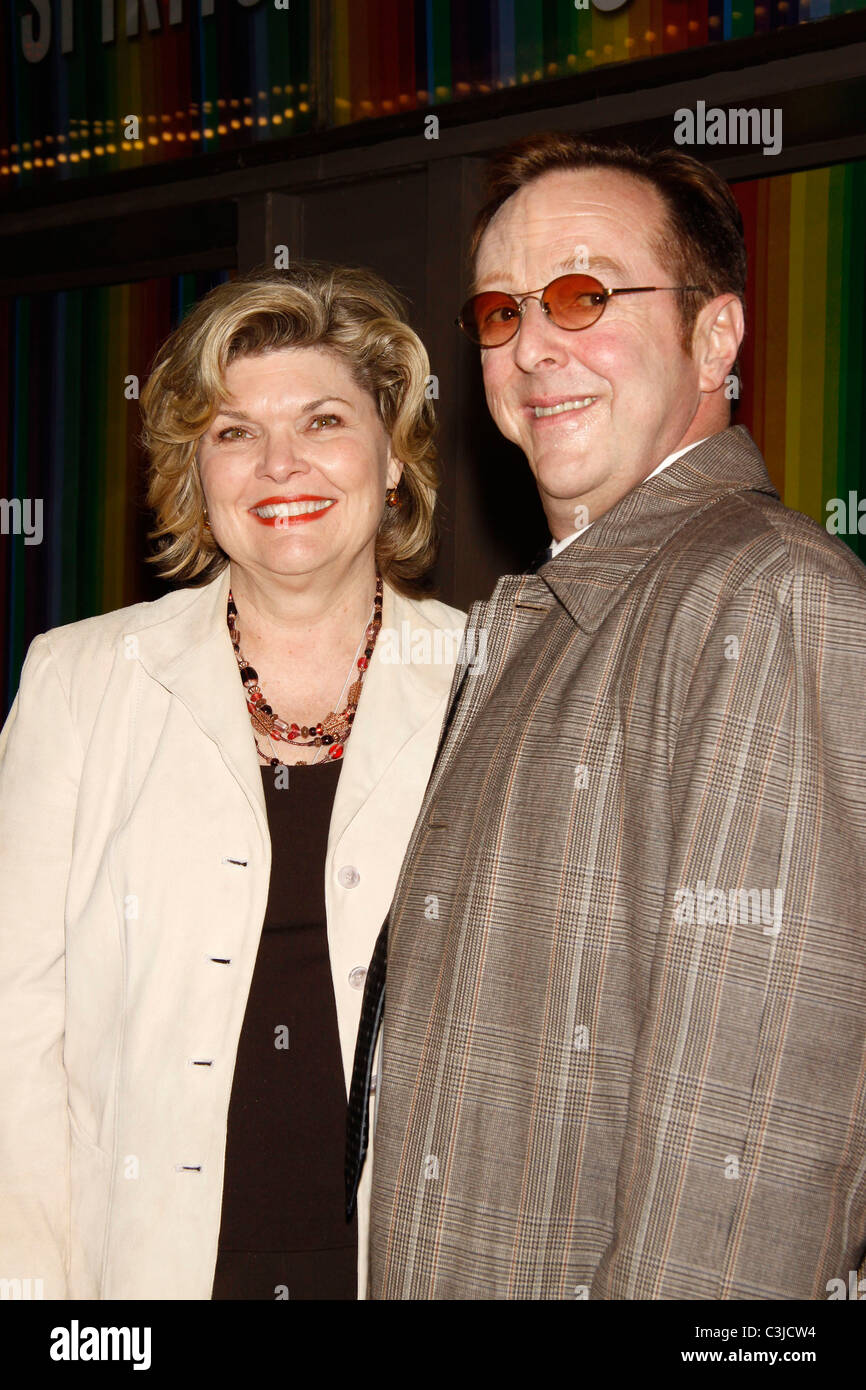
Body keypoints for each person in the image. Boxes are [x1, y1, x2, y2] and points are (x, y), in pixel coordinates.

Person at [347, 133, 866, 1299]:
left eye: (583, 294)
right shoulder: (550, 615)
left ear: (714, 334)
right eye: (498, 312)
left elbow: (746, 1173)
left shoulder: (767, 598)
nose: (532, 343)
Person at [0, 261, 466, 1300]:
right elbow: (12, 1034)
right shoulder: (77, 682)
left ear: (392, 461)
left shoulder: (491, 678)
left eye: (324, 422)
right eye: (233, 432)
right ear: (195, 474)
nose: (279, 464)